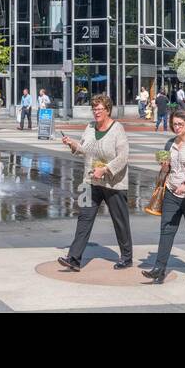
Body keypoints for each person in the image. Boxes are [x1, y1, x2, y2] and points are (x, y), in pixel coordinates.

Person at [57, 95, 133, 271]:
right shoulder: (90, 127)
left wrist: (105, 169)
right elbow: (84, 148)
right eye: (94, 109)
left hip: (114, 183)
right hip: (90, 180)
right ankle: (74, 259)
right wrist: (72, 144)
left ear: (108, 110)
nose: (96, 112)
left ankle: (127, 257)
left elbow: (123, 157)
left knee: (120, 220)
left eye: (100, 109)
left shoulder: (117, 129)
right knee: (84, 217)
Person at [142, 110, 185, 283]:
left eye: (180, 124)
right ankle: (159, 268)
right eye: (175, 124)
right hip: (171, 192)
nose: (177, 127)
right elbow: (165, 170)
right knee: (166, 230)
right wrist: (164, 166)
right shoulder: (169, 144)